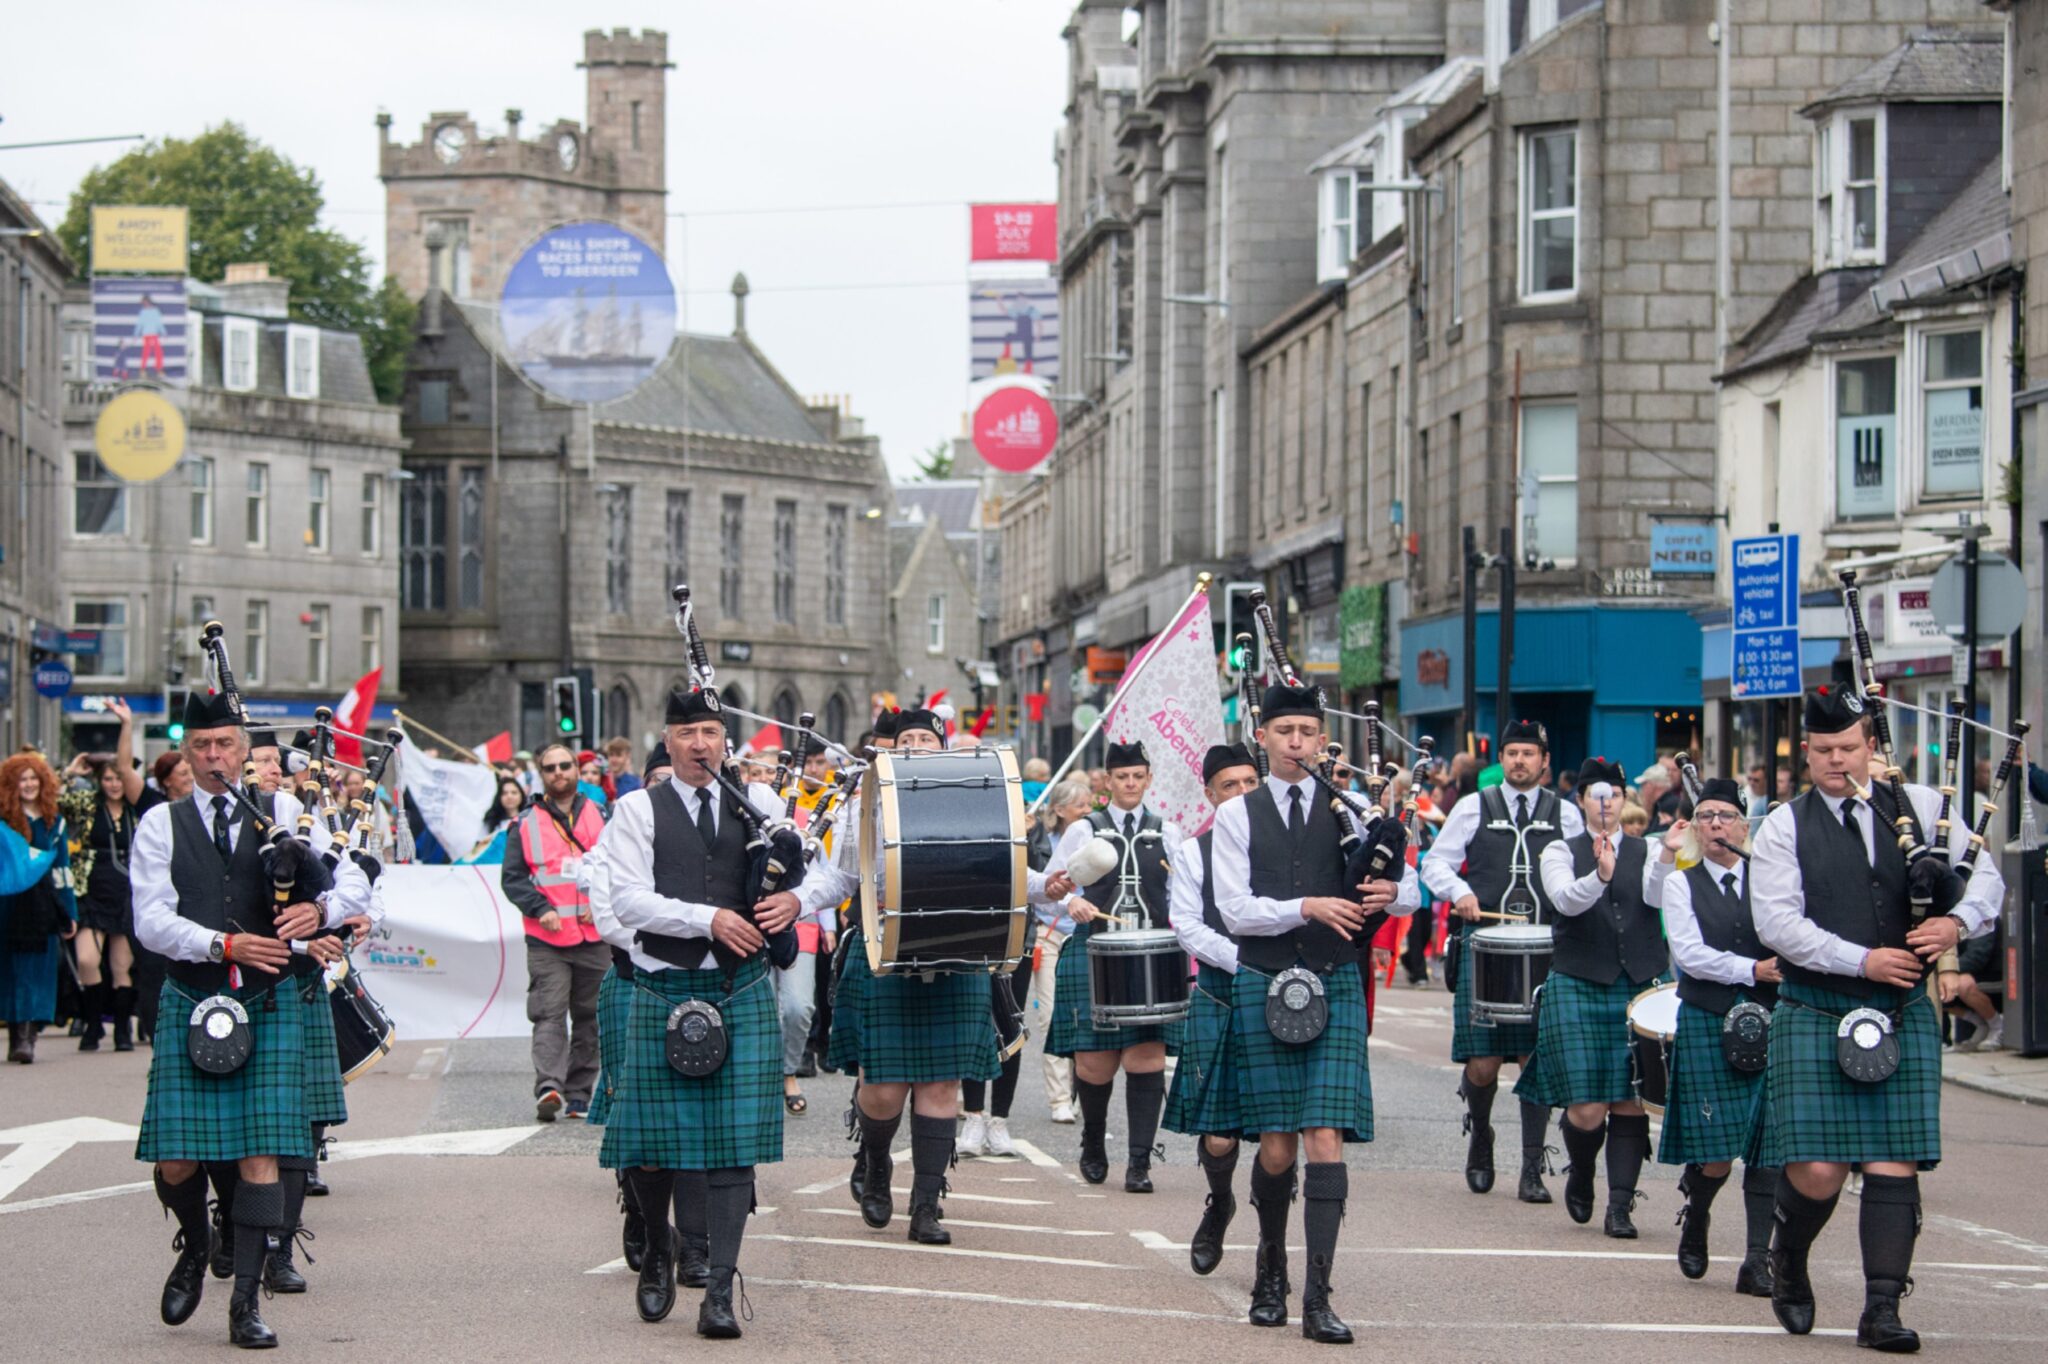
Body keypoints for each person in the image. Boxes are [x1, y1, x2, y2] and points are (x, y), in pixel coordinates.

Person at [1751, 685, 2004, 1351]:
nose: (1839, 761)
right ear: (1806, 753)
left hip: (1898, 1012)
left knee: (1896, 1161)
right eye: (1825, 750)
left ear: (1871, 744)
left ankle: (1882, 1309)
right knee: (1819, 1169)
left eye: (1850, 747)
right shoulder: (1783, 824)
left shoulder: (1923, 808)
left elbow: (1988, 881)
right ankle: (1790, 1260)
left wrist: (1956, 921)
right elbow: (1776, 922)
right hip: (1815, 1004)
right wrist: (1860, 960)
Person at [130, 689, 371, 1348]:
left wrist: (319, 914)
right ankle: (194, 1244)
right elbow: (150, 918)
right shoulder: (162, 823)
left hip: (267, 1001)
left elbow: (352, 880)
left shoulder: (284, 810)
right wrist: (222, 943)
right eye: (202, 747)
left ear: (243, 749)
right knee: (178, 1159)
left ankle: (244, 1304)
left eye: (226, 746)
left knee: (260, 1154)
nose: (215, 758)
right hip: (194, 995)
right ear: (186, 753)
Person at [596, 685, 799, 1337]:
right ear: (668, 740)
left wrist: (797, 901)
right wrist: (706, 919)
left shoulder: (759, 803)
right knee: (653, 1147)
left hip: (739, 991)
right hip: (662, 988)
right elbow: (627, 900)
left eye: (711, 732)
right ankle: (658, 1246)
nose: (700, 744)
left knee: (734, 1149)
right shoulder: (637, 810)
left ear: (725, 741)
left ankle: (717, 1289)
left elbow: (820, 868)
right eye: (688, 734)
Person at [1211, 680, 1407, 1342]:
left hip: (1335, 978)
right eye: (1284, 733)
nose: (1296, 744)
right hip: (1265, 980)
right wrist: (1307, 906)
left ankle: (1319, 1297)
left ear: (1323, 742)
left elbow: (1412, 893)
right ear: (1263, 740)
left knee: (1324, 1134)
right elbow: (1233, 909)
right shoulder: (1238, 815)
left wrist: (1391, 891)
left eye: (1307, 734)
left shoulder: (1350, 811)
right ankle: (1270, 1266)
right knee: (1274, 1144)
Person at [802, 710, 1004, 1245]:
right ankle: (874, 1163)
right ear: (889, 748)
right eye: (906, 739)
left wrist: (1048, 889)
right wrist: (797, 902)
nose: (917, 745)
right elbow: (841, 875)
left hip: (955, 953)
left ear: (942, 748)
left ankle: (926, 1207)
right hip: (886, 953)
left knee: (941, 1086)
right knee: (884, 1091)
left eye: (927, 738)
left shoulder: (972, 795)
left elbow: (1003, 863)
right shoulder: (865, 801)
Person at [1419, 719, 1583, 1203]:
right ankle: (1482, 1136)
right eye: (1512, 753)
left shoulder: (1566, 815)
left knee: (1536, 1062)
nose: (1519, 761)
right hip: (1485, 944)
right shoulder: (1474, 807)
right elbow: (1434, 864)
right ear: (1502, 760)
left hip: (1547, 950)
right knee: (1484, 1063)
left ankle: (1532, 1166)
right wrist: (1461, 892)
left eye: (1529, 754)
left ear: (1544, 762)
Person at [1516, 757, 1674, 1238]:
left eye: (1615, 795)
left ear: (1624, 800)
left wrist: (1667, 855)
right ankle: (1582, 1172)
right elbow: (1565, 900)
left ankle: (1620, 1207)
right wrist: (1600, 876)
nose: (1606, 803)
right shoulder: (1559, 851)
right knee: (1585, 1108)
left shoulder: (1648, 849)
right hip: (1580, 980)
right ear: (1581, 800)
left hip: (1640, 982)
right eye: (1596, 795)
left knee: (1630, 1101)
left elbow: (1656, 897)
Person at [1656, 776, 1781, 1296]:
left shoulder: (1771, 879)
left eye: (1724, 816)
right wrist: (1754, 970)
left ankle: (1757, 1260)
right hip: (1708, 1018)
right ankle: (1699, 1214)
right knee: (1714, 1153)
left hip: (1771, 1021)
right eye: (1705, 816)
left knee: (1768, 1149)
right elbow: (1689, 956)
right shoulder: (1680, 882)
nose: (1714, 825)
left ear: (1743, 825)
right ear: (1693, 828)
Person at [1043, 741, 1184, 1192]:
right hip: (1095, 948)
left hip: (1152, 952)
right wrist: (1074, 901)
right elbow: (1054, 883)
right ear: (1106, 782)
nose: (1129, 784)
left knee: (1147, 1058)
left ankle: (1139, 1163)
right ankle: (1092, 1143)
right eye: (1121, 777)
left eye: (1137, 776)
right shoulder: (1085, 830)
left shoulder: (1168, 832)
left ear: (1148, 779)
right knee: (1094, 1064)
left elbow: (1186, 890)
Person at [1163, 743, 1261, 1275]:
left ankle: (1273, 1247)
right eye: (1230, 785)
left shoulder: (1283, 845)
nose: (1242, 794)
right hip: (1223, 994)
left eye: (1250, 783)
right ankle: (1220, 1201)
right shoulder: (1192, 851)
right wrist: (1245, 959)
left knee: (1280, 1132)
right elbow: (1187, 924)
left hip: (1281, 1003)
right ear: (1210, 794)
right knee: (1221, 1134)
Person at [502, 741, 609, 1121]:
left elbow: (619, 870)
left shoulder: (600, 815)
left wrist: (601, 908)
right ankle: (549, 1087)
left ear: (576, 771)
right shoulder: (525, 823)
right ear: (542, 775)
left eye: (565, 765)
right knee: (548, 1013)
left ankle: (580, 1093)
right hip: (547, 938)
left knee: (590, 1018)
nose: (559, 772)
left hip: (594, 936)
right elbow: (513, 879)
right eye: (551, 768)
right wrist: (540, 908)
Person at [60, 698, 160, 1053]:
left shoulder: (137, 810)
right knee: (87, 959)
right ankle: (90, 1025)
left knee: (122, 964)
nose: (114, 784)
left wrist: (126, 726)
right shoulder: (89, 806)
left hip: (125, 893)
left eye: (119, 778)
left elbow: (126, 769)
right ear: (100, 782)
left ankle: (119, 1029)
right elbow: (55, 801)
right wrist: (71, 774)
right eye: (108, 779)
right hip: (92, 888)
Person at [1027, 777, 1094, 1122]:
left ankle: (1082, 1091)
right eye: (1080, 806)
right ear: (1059, 810)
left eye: (1090, 804)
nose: (1087, 811)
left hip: (1083, 939)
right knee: (1051, 1016)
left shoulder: (1099, 837)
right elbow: (1042, 887)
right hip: (1050, 936)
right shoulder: (1043, 841)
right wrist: (1066, 898)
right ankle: (1058, 1099)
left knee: (1086, 1019)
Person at [3, 752, 76, 1064]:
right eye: (23, 779)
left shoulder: (54, 822)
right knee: (12, 971)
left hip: (44, 905)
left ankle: (28, 1037)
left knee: (39, 972)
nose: (29, 784)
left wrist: (70, 911)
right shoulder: (4, 820)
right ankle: (17, 1033)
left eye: (34, 778)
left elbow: (63, 868)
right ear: (11, 784)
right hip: (7, 905)